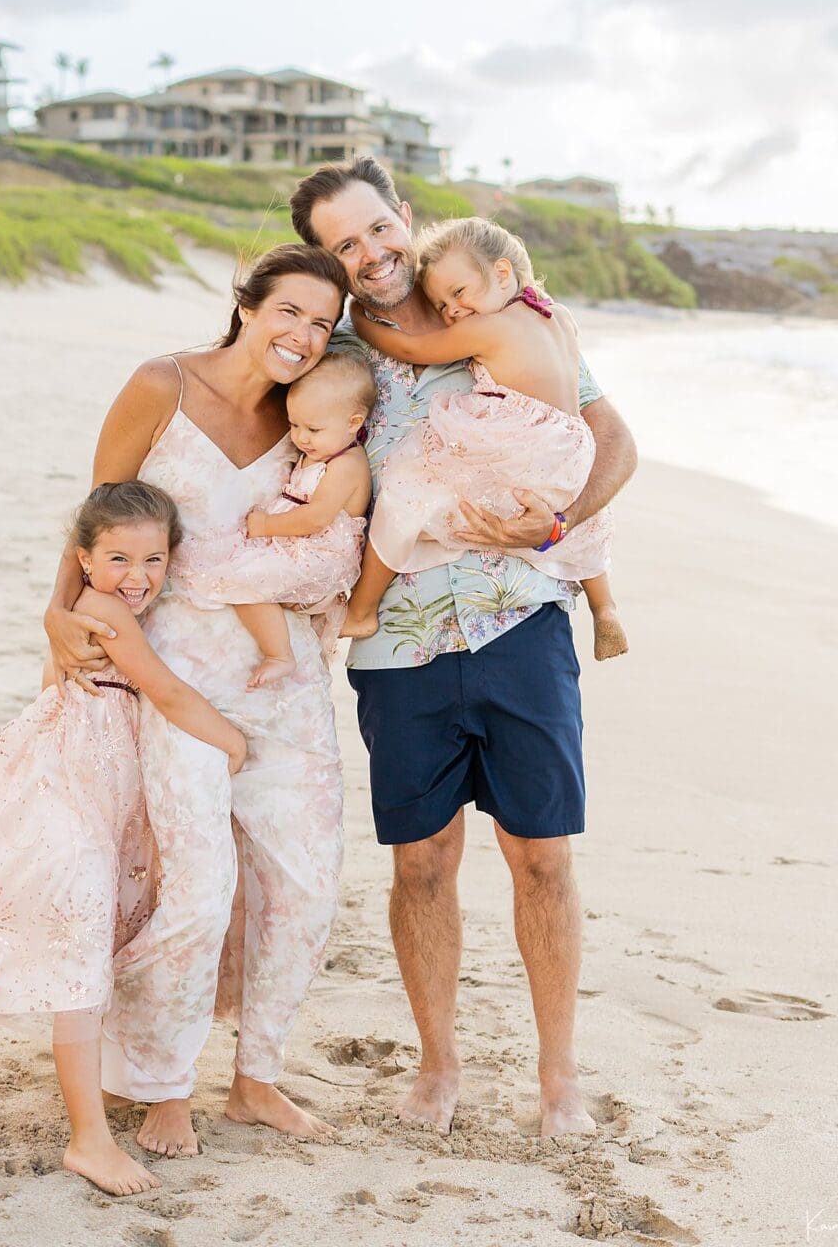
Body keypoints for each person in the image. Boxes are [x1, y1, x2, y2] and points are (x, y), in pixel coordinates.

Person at [289, 158, 638, 1138]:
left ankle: (557, 1076)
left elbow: (615, 443)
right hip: (394, 645)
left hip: (517, 619)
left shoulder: (499, 311)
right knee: (421, 864)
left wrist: (556, 520)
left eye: (375, 229)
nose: (368, 254)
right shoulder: (331, 351)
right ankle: (436, 1067)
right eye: (343, 245)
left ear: (403, 217)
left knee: (540, 856)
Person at [43, 243, 349, 1157]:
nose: (302, 334)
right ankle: (163, 1084)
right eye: (288, 310)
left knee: (304, 886)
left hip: (286, 680)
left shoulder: (319, 415)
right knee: (196, 890)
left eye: (322, 324)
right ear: (247, 305)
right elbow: (97, 515)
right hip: (172, 679)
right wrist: (55, 618)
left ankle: (256, 1078)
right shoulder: (162, 384)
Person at [0, 481, 247, 1197]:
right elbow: (163, 690)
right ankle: (88, 1140)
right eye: (116, 558)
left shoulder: (110, 601)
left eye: (153, 561)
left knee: (109, 940)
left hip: (109, 787)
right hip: (72, 785)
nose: (135, 578)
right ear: (82, 558)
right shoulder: (101, 607)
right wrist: (231, 743)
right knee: (81, 949)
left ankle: (127, 1086)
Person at [342, 215, 626, 663]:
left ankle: (361, 608)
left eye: (459, 293)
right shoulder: (557, 315)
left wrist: (360, 319)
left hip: (521, 434)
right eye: (442, 306)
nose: (453, 312)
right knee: (581, 522)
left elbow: (413, 350)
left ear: (502, 273)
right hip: (571, 446)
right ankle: (604, 607)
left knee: (411, 480)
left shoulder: (489, 328)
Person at [184, 349, 374, 684]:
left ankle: (279, 654)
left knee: (243, 581)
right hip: (294, 545)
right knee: (218, 566)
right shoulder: (319, 451)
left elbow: (316, 518)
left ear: (354, 422)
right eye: (294, 425)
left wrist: (265, 526)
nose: (301, 437)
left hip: (321, 557)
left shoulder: (346, 464)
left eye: (313, 429)